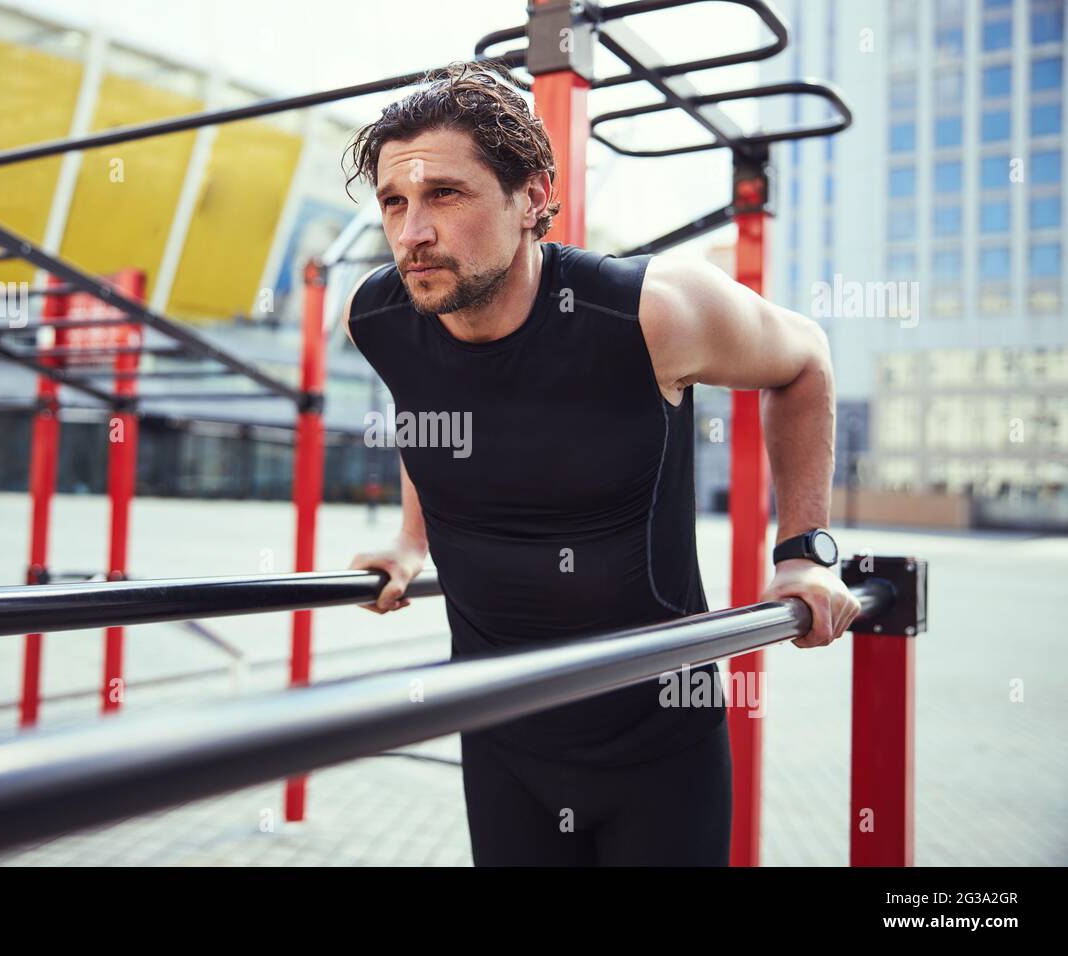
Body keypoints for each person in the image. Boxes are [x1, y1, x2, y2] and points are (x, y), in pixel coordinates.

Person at [338, 61, 861, 866]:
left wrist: (803, 551)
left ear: (533, 197)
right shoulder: (378, 315)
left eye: (445, 194)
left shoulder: (649, 311)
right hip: (499, 733)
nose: (412, 233)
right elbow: (428, 405)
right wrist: (412, 541)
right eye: (394, 203)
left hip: (661, 743)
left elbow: (805, 360)